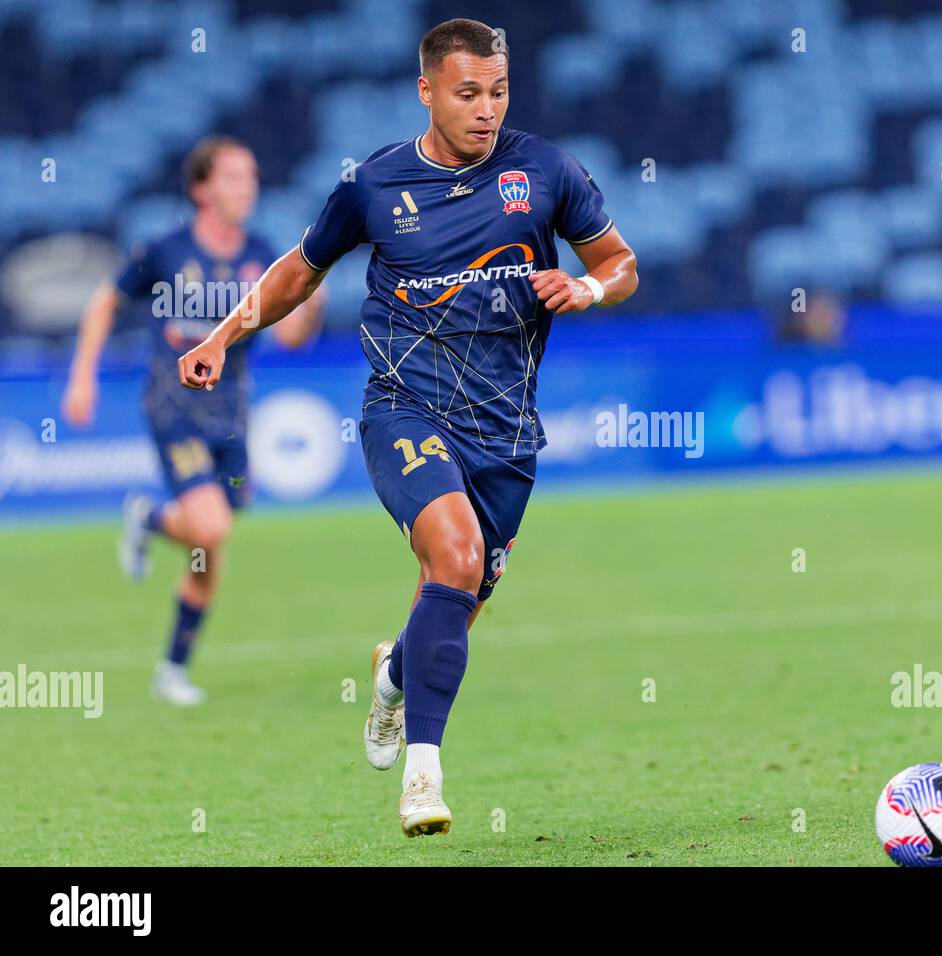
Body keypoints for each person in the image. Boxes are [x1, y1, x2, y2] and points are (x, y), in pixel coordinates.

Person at [175, 19, 638, 836]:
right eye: (468, 93)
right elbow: (296, 271)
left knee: (456, 597)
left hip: (506, 430)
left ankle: (392, 675)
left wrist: (590, 291)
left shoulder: (547, 170)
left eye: (498, 92)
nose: (486, 109)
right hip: (404, 408)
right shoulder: (374, 186)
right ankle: (423, 777)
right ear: (426, 89)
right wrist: (221, 335)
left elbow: (620, 262)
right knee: (455, 555)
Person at [62, 136, 325, 705]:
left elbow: (290, 336)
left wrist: (313, 304)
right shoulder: (163, 249)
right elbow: (105, 301)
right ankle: (173, 658)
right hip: (173, 407)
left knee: (214, 534)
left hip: (231, 417)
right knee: (210, 530)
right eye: (233, 177)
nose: (246, 188)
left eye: (251, 177)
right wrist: (82, 376)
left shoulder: (263, 253)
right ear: (202, 188)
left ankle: (154, 540)